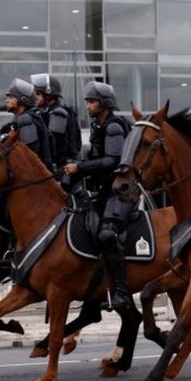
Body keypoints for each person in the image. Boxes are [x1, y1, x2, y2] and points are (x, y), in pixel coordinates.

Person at [63, 81, 134, 310]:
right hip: (104, 192)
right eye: (87, 101)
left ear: (104, 104)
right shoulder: (97, 126)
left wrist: (81, 168)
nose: (88, 105)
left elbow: (112, 161)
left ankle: (122, 292)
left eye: (92, 101)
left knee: (106, 235)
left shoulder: (113, 126)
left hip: (121, 193)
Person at [30, 73, 82, 175]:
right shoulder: (46, 111)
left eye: (38, 94)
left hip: (61, 168)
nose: (34, 97)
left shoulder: (58, 113)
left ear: (48, 94)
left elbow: (52, 144)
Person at [0, 78, 53, 171]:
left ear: (23, 100)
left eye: (11, 97)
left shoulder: (26, 120)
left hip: (35, 176)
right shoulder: (19, 118)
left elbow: (29, 154)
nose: (6, 100)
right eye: (7, 97)